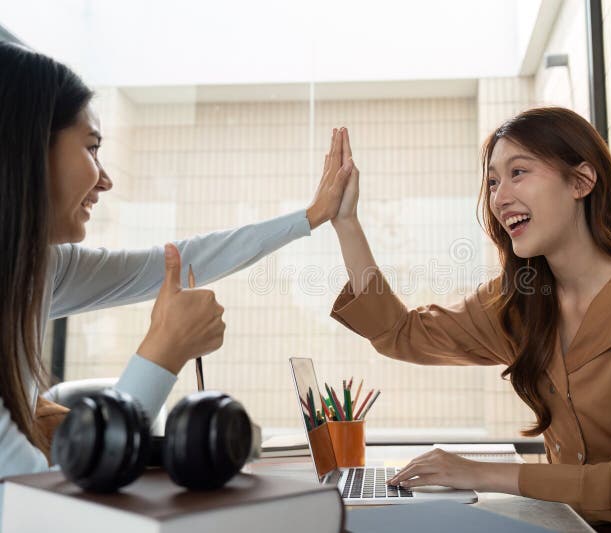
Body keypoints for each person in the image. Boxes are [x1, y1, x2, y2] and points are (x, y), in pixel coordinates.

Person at [327, 109, 611, 532]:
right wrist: (346, 222)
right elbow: (402, 334)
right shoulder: (521, 303)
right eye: (493, 181)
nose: (499, 197)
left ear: (581, 181)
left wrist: (478, 473)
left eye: (518, 172)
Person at [0, 41, 352, 485]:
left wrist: (310, 217)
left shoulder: (40, 269)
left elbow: (182, 260)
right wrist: (165, 350)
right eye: (91, 148)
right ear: (27, 149)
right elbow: (42, 504)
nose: (106, 180)